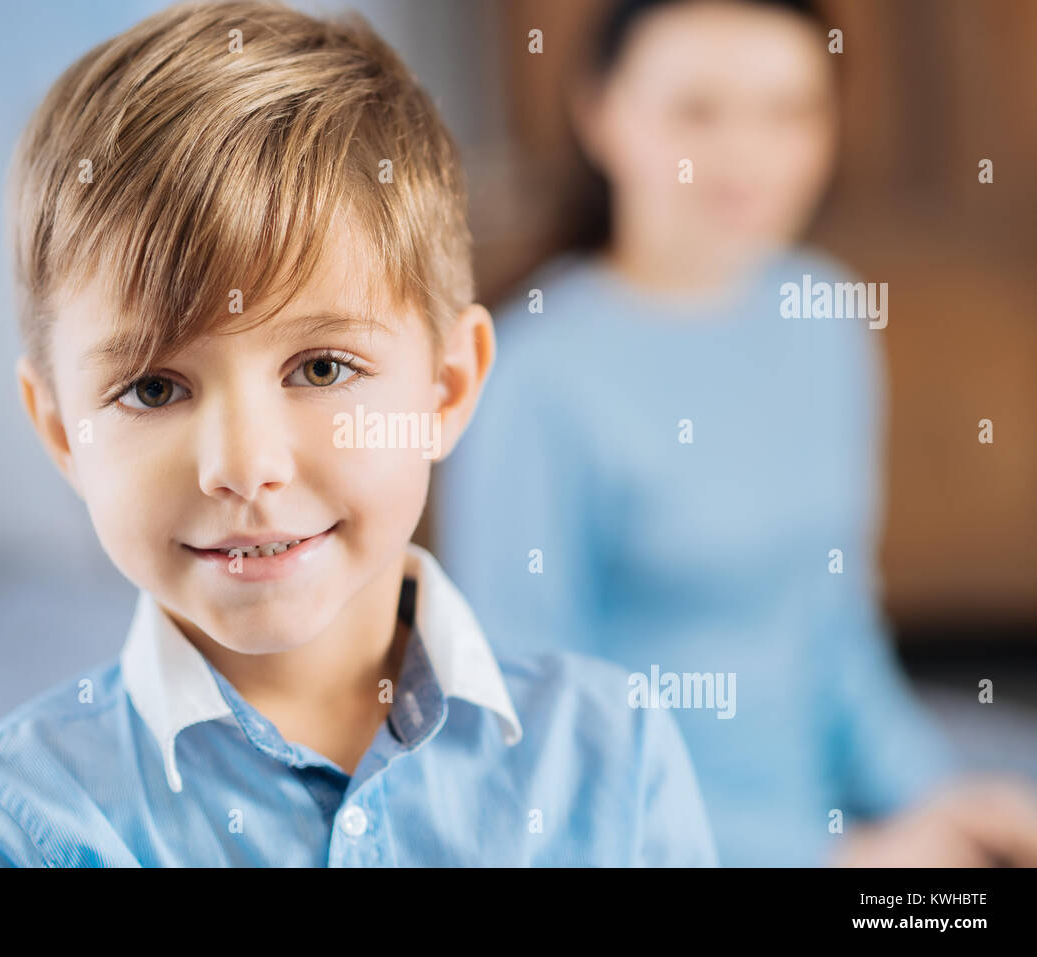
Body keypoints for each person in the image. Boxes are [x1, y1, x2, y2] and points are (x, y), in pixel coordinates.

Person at [0, 0, 718, 867]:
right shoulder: (14, 826)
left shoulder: (611, 758)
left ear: (445, 387)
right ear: (64, 432)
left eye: (322, 369)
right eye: (152, 387)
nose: (245, 466)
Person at [434, 0, 1037, 866]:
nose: (747, 154)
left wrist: (936, 797)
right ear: (598, 113)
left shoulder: (823, 315)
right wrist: (833, 859)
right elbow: (532, 752)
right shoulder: (533, 378)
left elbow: (835, 630)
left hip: (834, 817)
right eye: (698, 111)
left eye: (789, 111)